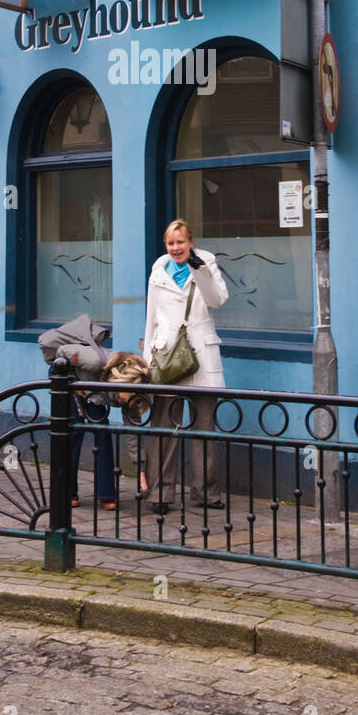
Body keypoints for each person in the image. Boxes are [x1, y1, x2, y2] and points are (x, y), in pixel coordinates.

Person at [143, 219, 228, 515]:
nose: (176, 248)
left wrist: (198, 269)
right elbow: (151, 318)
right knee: (163, 429)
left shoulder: (206, 263)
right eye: (171, 243)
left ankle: (206, 492)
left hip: (201, 357)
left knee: (204, 429)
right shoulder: (158, 270)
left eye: (181, 242)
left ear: (190, 242)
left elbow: (217, 300)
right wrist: (146, 361)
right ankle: (161, 494)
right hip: (166, 357)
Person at [37, 314, 115, 511]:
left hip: (89, 384)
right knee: (72, 433)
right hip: (66, 379)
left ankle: (106, 493)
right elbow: (62, 356)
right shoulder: (95, 359)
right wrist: (73, 385)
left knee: (101, 431)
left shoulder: (103, 358)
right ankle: (67, 492)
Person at [101, 352, 150, 496]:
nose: (132, 404)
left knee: (102, 434)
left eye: (136, 402)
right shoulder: (98, 367)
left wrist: (142, 475)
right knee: (77, 433)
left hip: (100, 393)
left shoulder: (133, 393)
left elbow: (134, 435)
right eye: (131, 399)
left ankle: (106, 495)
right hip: (73, 382)